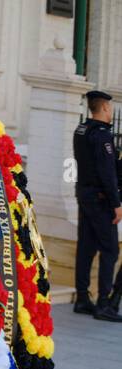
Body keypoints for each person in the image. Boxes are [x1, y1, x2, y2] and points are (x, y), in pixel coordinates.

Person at [73, 91, 122, 322]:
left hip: (84, 194)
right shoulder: (102, 136)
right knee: (110, 249)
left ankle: (82, 298)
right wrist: (116, 204)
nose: (111, 112)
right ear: (103, 108)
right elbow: (107, 173)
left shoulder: (81, 130)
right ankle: (104, 303)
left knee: (86, 247)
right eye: (110, 108)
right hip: (101, 200)